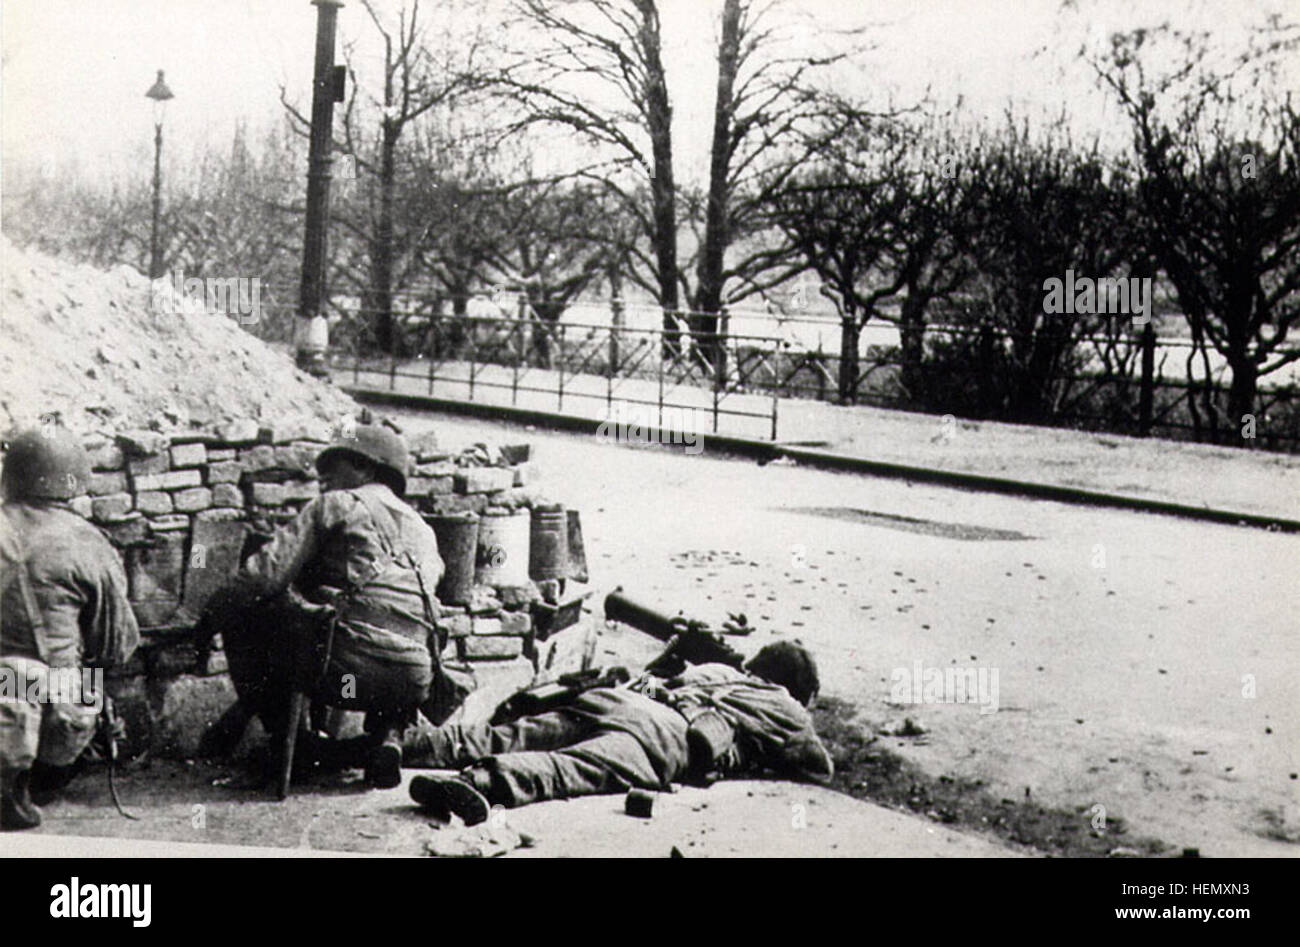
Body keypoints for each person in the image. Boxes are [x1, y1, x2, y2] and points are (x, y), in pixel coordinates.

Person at [210, 422, 449, 789]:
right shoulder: (423, 529)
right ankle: (387, 738)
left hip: (343, 673)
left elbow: (263, 576)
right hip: (415, 681)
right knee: (393, 626)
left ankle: (293, 745)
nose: (322, 480)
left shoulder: (335, 504)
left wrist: (210, 615)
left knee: (247, 613)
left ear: (366, 469)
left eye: (332, 469)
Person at [405, 640, 833, 826]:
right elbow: (819, 769)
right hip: (665, 736)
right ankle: (476, 783)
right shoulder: (788, 708)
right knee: (567, 769)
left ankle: (394, 746)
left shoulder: (718, 671)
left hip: (622, 699)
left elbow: (662, 678)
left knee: (512, 734)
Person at [0, 426, 140, 830]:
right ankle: (23, 784)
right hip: (47, 715)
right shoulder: (87, 540)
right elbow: (116, 646)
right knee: (77, 683)